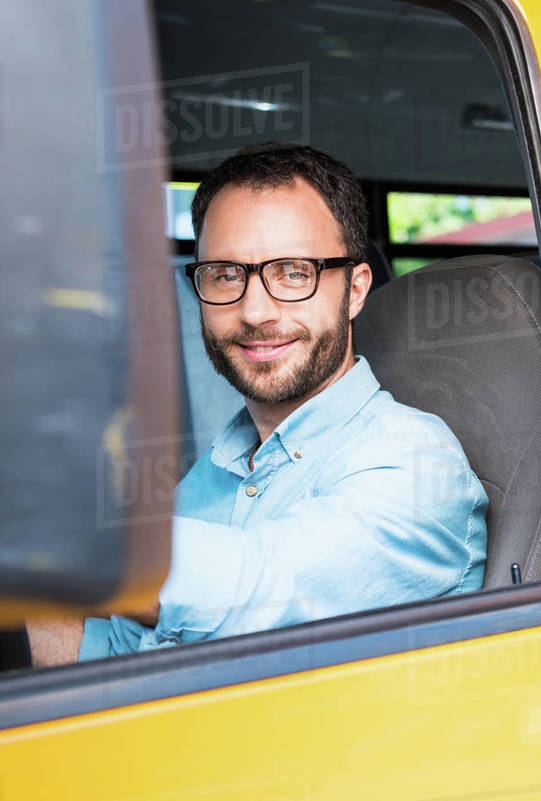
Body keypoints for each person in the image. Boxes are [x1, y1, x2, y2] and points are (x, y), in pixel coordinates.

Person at [27, 143, 488, 664]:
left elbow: (256, 587)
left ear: (356, 290)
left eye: (293, 271)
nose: (254, 311)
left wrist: (23, 537)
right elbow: (112, 654)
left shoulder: (418, 466)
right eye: (225, 273)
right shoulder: (211, 477)